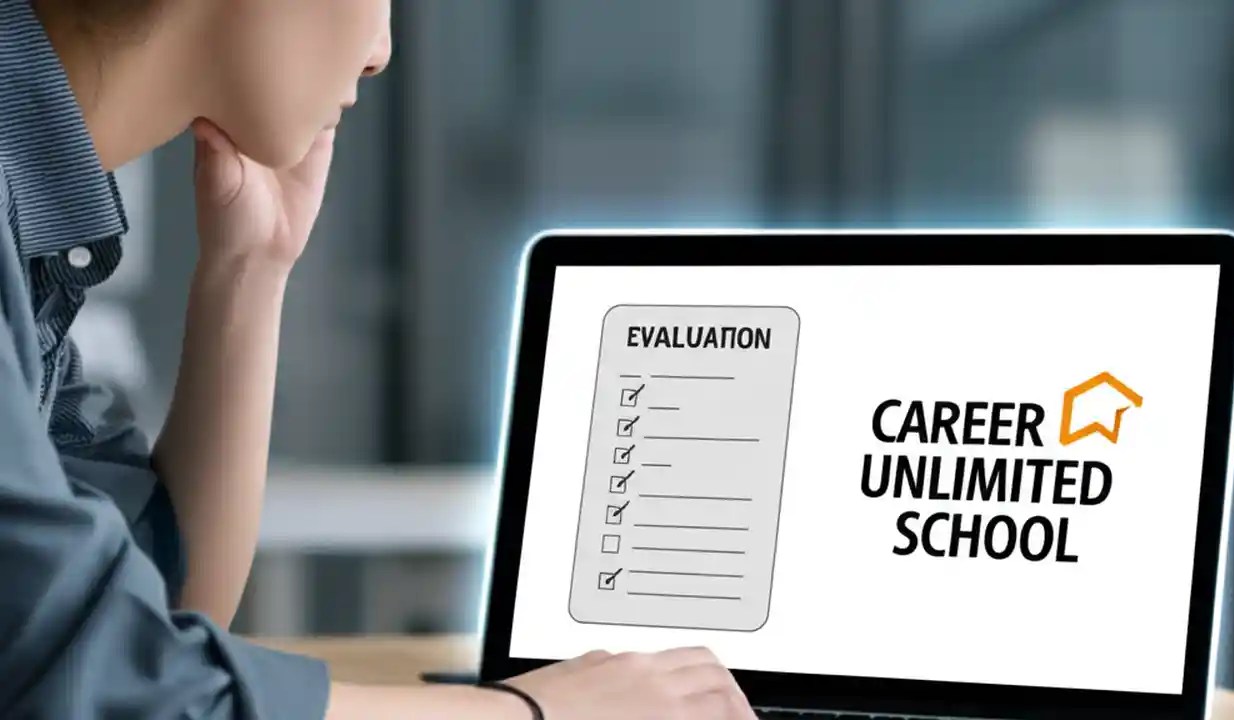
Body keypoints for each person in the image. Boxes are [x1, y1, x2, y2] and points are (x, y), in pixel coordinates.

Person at [0, 0, 757, 718]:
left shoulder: (31, 220)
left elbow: (143, 622)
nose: (380, 53)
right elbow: (112, 684)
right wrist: (532, 709)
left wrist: (250, 271)